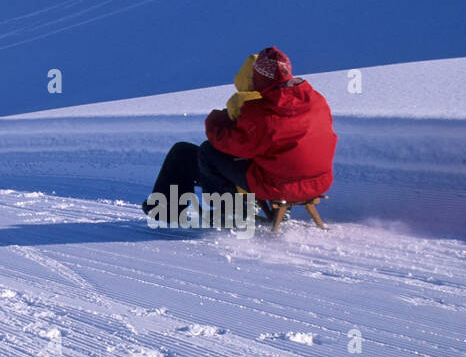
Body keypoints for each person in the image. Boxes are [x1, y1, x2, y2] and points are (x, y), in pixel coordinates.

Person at [143, 46, 337, 227]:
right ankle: (254, 207)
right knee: (252, 159)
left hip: (278, 185)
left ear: (260, 78)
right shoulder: (316, 100)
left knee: (205, 152)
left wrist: (217, 118)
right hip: (318, 181)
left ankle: (225, 211)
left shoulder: (264, 112)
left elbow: (229, 143)